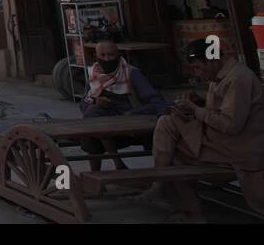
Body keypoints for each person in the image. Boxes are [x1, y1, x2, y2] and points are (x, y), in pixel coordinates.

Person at [142, 38, 264, 220]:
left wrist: (195, 109)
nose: (196, 74)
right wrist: (199, 102)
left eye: (198, 67)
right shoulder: (219, 76)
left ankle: (185, 205)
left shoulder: (238, 79)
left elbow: (230, 125)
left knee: (174, 154)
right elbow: (220, 109)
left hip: (239, 148)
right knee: (168, 123)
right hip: (220, 141)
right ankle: (161, 186)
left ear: (213, 61)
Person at [78, 39, 172, 170]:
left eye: (111, 55)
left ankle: (116, 164)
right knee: (94, 113)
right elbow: (83, 104)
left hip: (130, 123)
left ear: (118, 55)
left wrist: (132, 114)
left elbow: (156, 101)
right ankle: (104, 169)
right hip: (101, 126)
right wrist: (95, 100)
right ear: (96, 56)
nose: (106, 59)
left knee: (94, 116)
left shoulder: (131, 73)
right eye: (102, 55)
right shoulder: (94, 76)